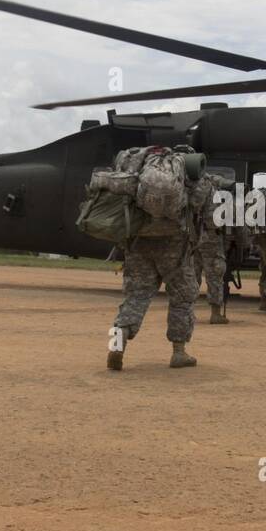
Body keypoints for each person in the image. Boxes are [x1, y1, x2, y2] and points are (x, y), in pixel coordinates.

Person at [107, 147, 201, 370]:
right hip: (174, 246)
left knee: (134, 297)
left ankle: (116, 345)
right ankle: (179, 353)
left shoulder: (140, 171)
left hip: (140, 243)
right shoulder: (189, 176)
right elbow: (199, 205)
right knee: (183, 296)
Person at [194, 171, 232, 324]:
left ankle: (186, 311)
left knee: (190, 275)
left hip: (190, 237)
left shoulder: (187, 188)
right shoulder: (212, 190)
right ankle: (215, 314)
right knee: (215, 275)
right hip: (211, 238)